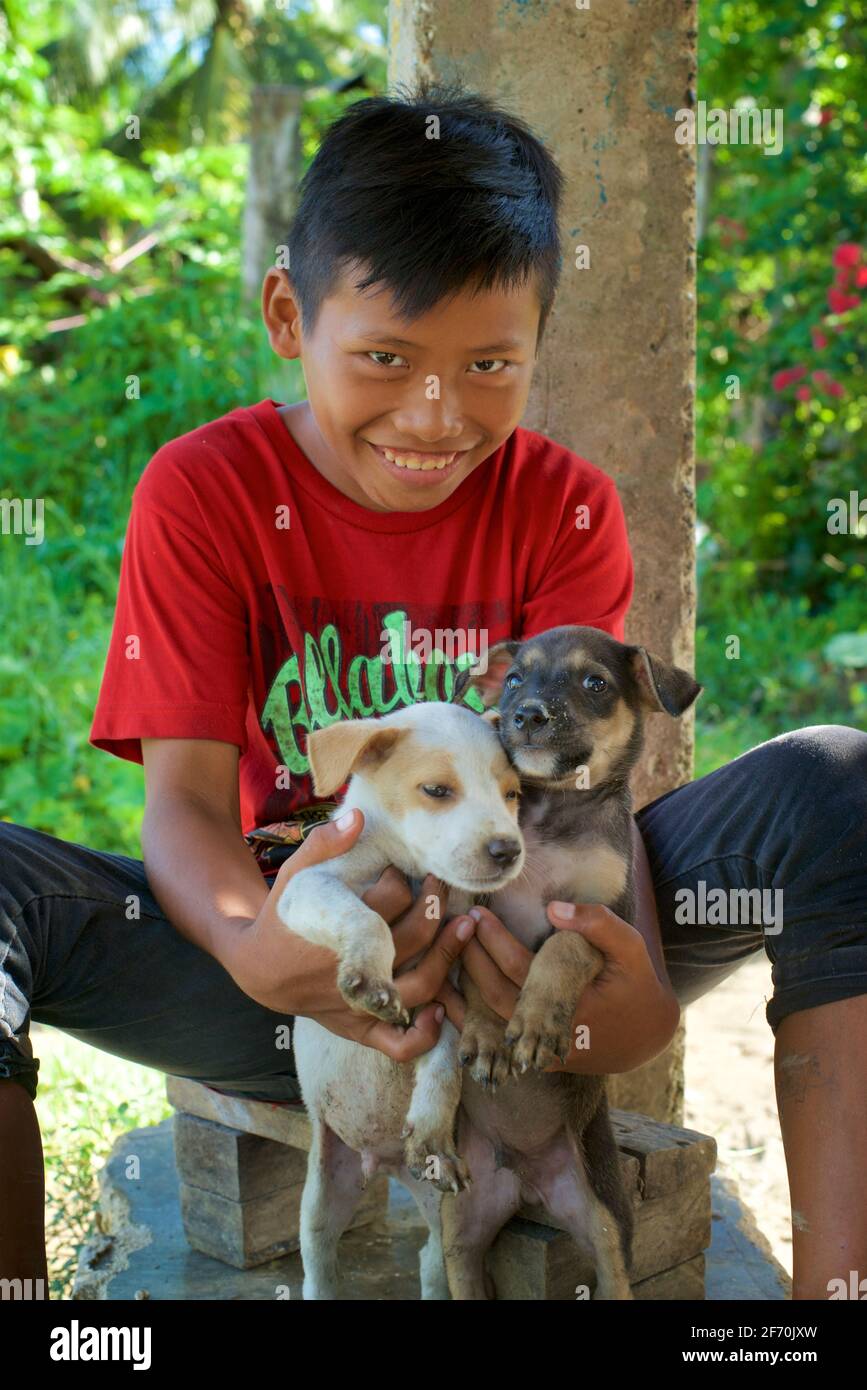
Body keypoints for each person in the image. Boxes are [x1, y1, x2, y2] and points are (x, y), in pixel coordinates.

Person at [1, 82, 865, 1302]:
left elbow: (588, 804)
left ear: (537, 345)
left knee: (839, 785)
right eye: (387, 358)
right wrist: (257, 950)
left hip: (524, 937)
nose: (435, 413)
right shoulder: (206, 492)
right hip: (304, 974)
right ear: (287, 313)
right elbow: (187, 811)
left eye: (489, 364)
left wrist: (632, 1000)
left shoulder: (563, 502)